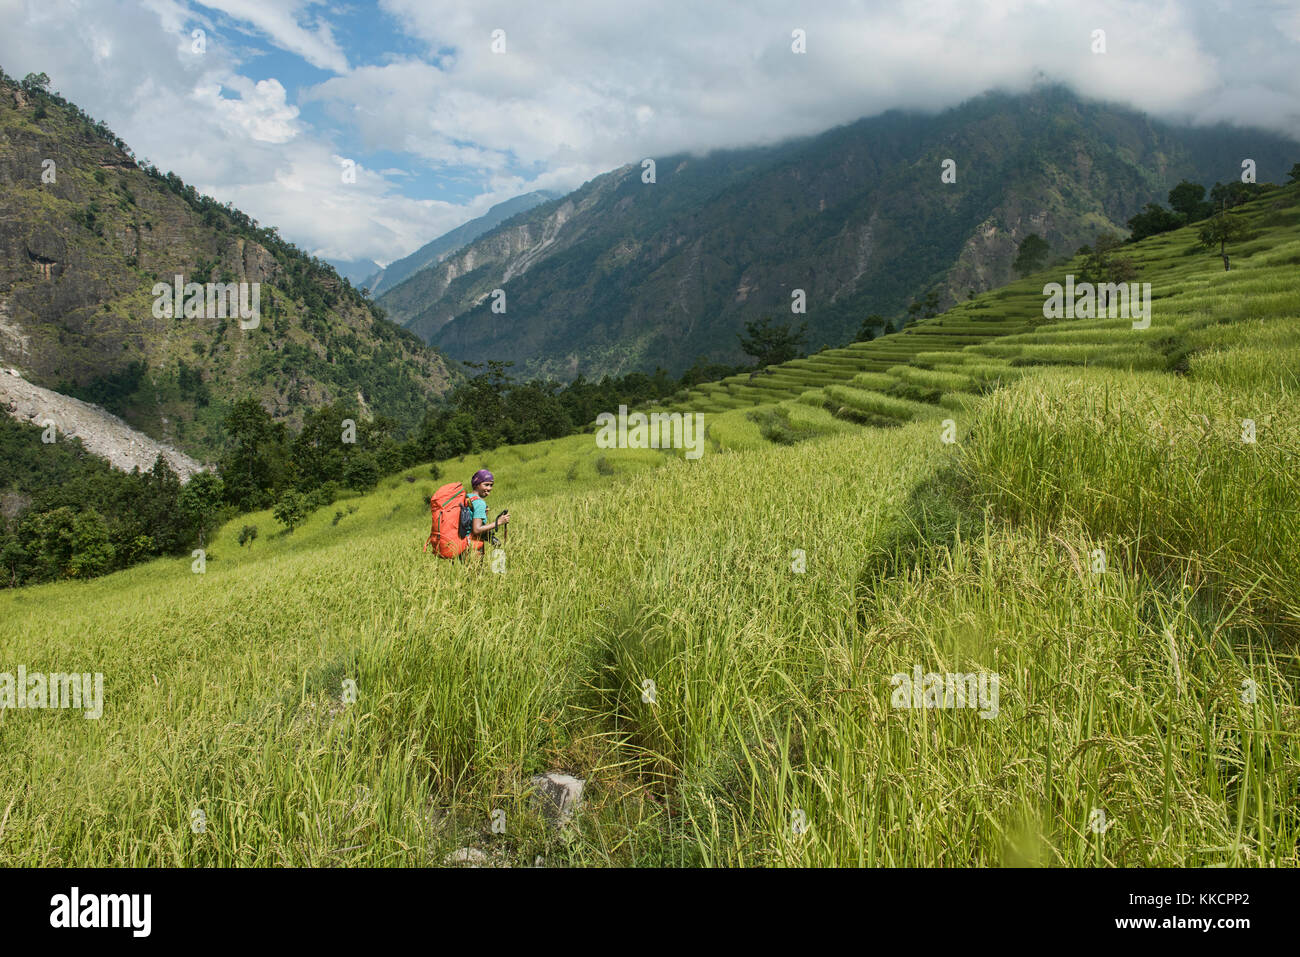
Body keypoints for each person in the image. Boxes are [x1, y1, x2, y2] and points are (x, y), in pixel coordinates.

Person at [466, 468, 508, 556]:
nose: (489, 488)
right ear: (477, 484)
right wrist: (499, 522)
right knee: (476, 570)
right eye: (486, 485)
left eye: (491, 485)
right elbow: (476, 529)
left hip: (461, 544)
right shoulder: (479, 503)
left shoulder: (467, 497)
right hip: (473, 546)